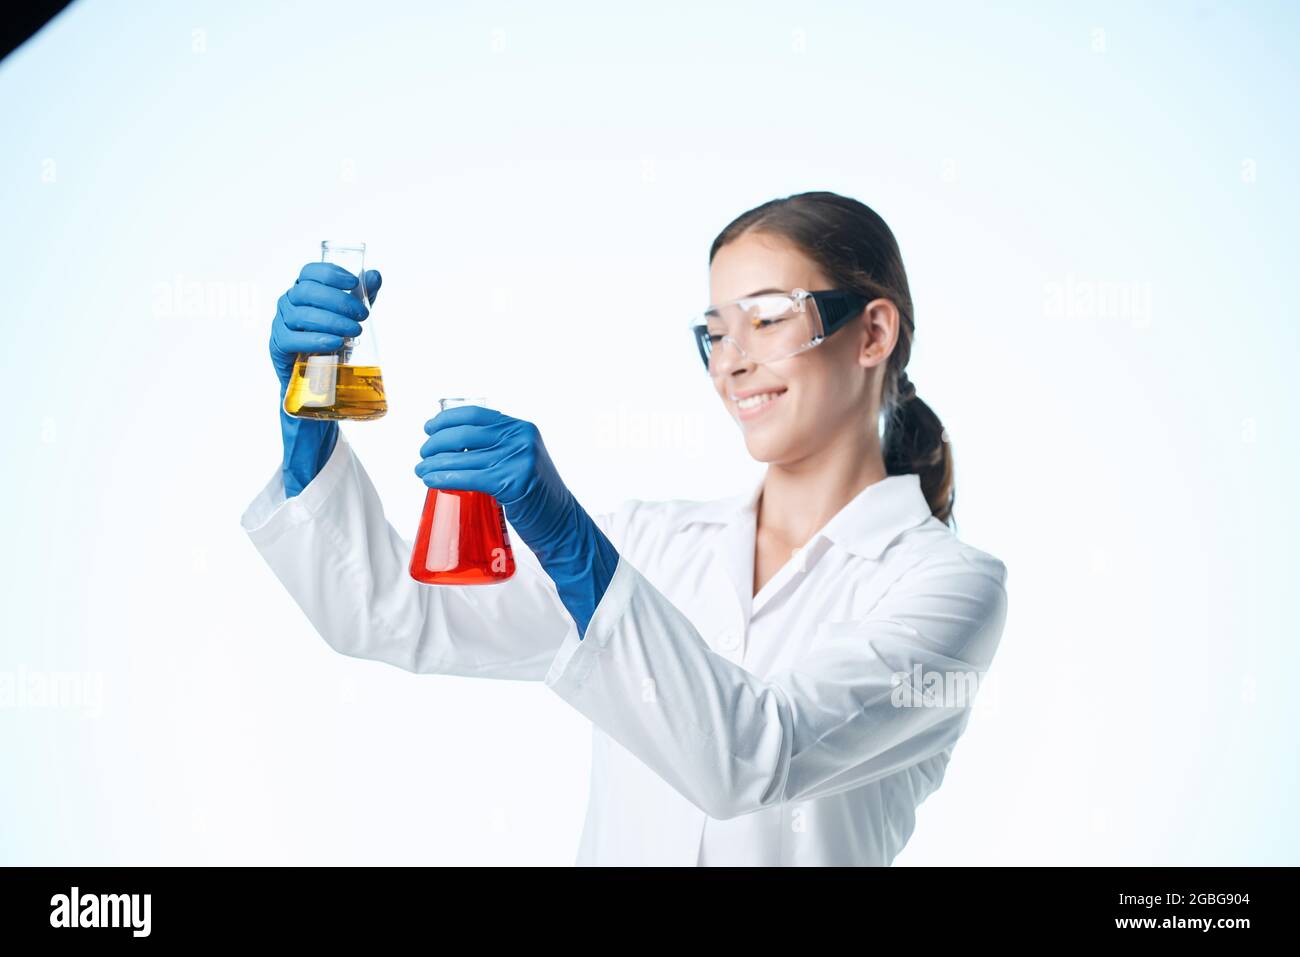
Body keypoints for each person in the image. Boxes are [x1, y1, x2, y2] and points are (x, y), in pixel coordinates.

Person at [242, 190, 1009, 866]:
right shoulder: (651, 545)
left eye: (768, 318)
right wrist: (308, 430)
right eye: (714, 331)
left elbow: (753, 756)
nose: (730, 363)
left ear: (872, 333)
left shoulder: (949, 588)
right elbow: (390, 613)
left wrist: (574, 546)